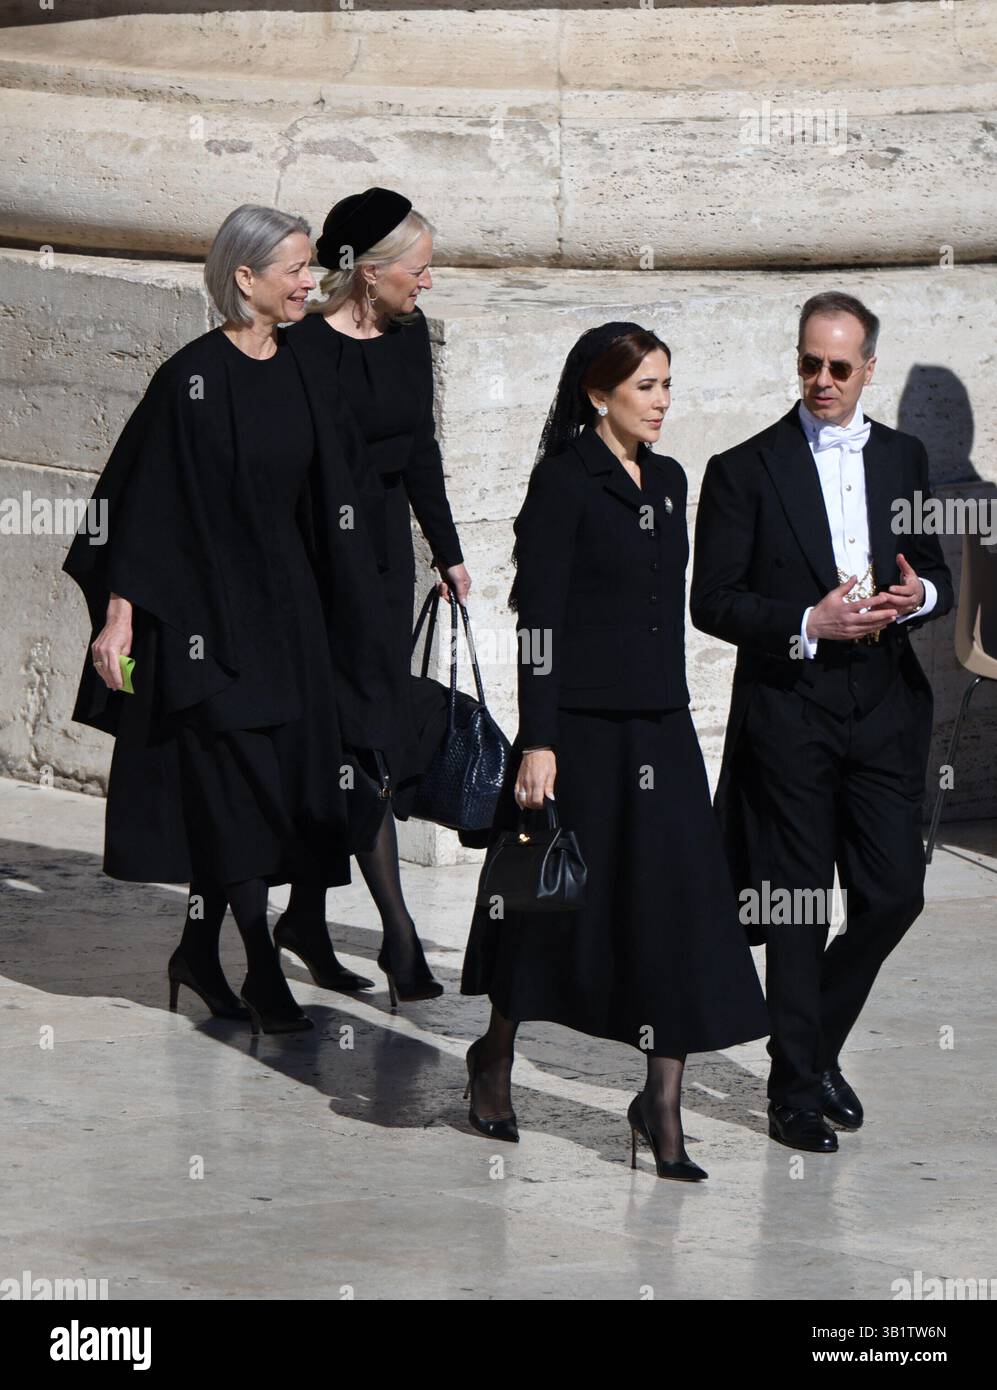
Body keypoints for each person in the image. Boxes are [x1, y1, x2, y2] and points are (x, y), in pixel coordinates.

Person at [64, 204, 409, 1035]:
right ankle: (260, 968)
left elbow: (340, 494)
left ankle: (194, 951)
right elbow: (136, 506)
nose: (308, 281)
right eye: (293, 268)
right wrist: (119, 619)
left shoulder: (303, 368)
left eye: (310, 267)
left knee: (269, 794)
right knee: (237, 793)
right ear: (244, 278)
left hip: (287, 618)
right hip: (202, 619)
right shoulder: (190, 377)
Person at [460, 323, 770, 1181]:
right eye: (646, 387)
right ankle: (493, 1055)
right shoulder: (564, 483)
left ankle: (660, 1105)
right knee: (544, 905)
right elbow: (540, 628)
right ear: (600, 394)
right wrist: (540, 740)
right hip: (579, 735)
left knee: (675, 909)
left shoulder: (669, 482)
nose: (663, 402)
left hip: (661, 729)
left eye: (668, 385)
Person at [690, 291, 953, 1152]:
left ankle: (809, 1042)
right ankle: (794, 1090)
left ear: (867, 368)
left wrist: (920, 597)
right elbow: (712, 600)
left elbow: (937, 573)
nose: (821, 380)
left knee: (892, 895)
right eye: (808, 362)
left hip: (882, 707)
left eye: (839, 367)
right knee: (799, 906)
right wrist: (807, 623)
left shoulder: (905, 456)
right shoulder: (742, 467)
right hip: (790, 711)